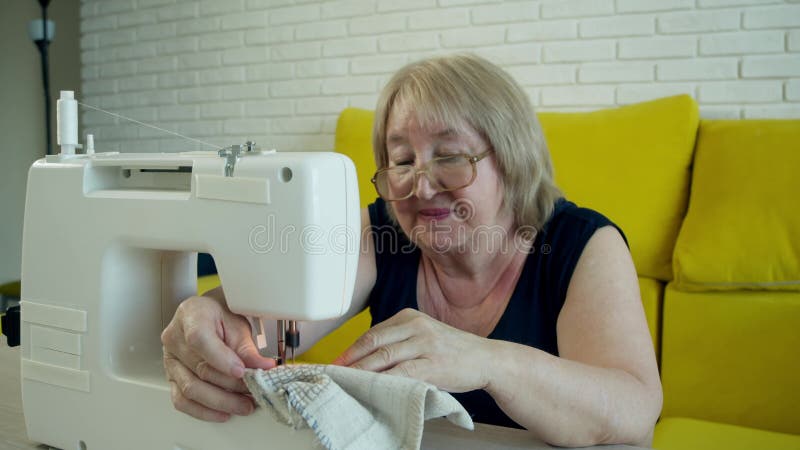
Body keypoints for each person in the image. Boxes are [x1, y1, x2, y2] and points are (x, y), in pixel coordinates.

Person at [161, 54, 662, 447]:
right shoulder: (382, 232)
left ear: (511, 159)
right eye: (401, 160)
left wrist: (487, 362)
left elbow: (634, 409)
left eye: (448, 155)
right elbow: (273, 326)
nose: (420, 187)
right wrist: (212, 317)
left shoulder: (583, 243)